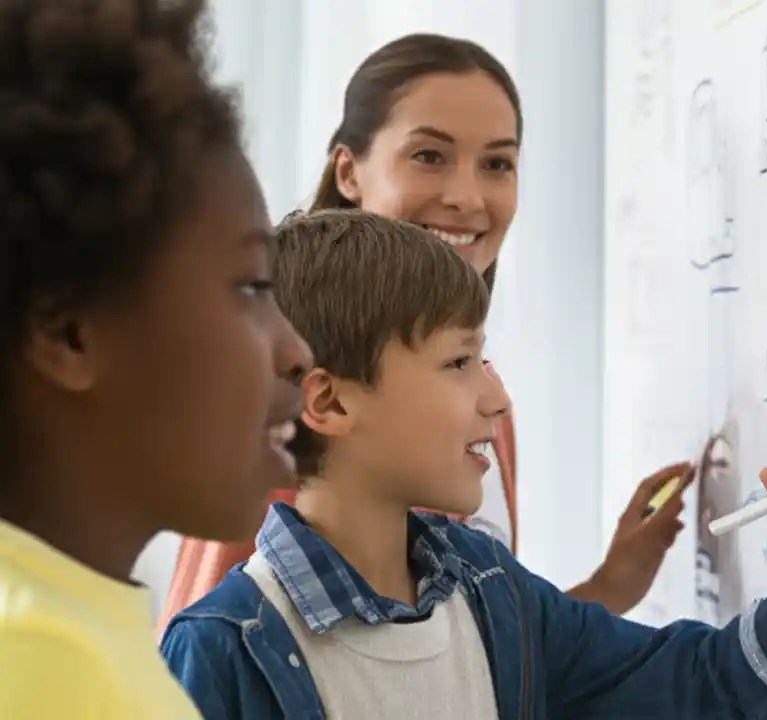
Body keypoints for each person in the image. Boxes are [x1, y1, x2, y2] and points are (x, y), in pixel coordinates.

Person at [160, 209, 767, 719]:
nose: (497, 398)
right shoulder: (222, 653)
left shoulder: (488, 592)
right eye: (458, 362)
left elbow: (695, 689)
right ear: (328, 403)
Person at [157, 32, 692, 628]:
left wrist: (610, 584)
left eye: (497, 164)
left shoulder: (482, 400)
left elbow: (465, 651)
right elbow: (218, 650)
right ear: (349, 172)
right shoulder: (282, 394)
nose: (467, 198)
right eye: (429, 156)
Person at [0, 0, 313, 716]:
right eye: (250, 286)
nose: (297, 351)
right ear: (71, 331)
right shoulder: (41, 667)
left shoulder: (74, 640)